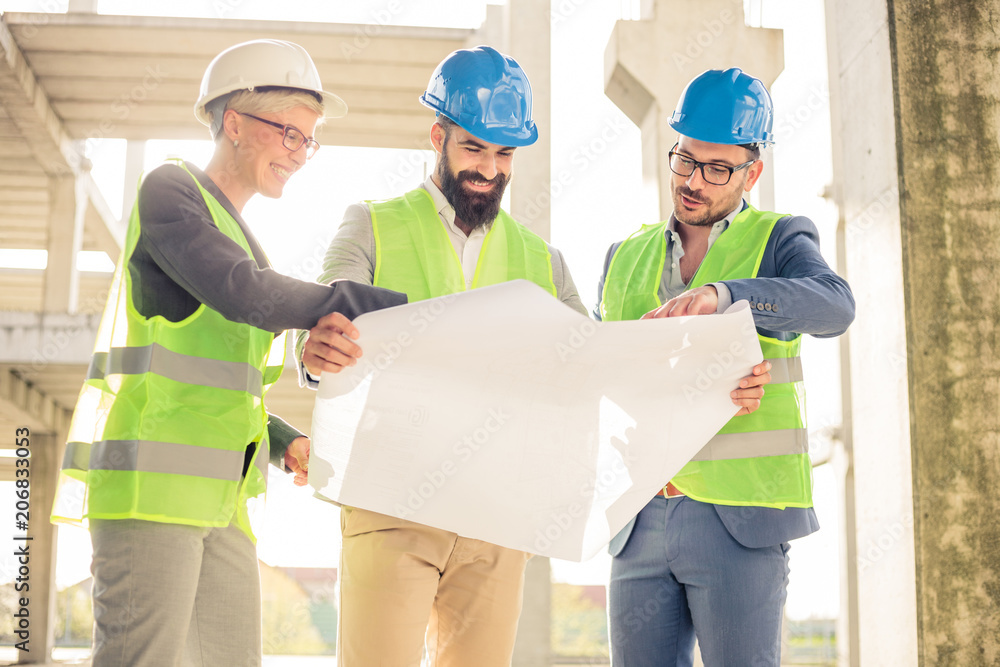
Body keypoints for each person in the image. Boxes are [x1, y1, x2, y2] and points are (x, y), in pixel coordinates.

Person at [298, 47, 772, 667]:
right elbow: (323, 323)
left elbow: (604, 366)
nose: (489, 170)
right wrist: (314, 355)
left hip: (496, 523)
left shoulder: (540, 259)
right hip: (393, 508)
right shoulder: (373, 224)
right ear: (438, 137)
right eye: (474, 148)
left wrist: (715, 382)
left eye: (504, 155)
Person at [51, 39, 405, 667]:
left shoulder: (246, 242)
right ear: (234, 123)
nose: (298, 154)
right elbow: (244, 294)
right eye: (288, 132)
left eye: (307, 140)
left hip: (225, 503)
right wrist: (368, 306)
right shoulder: (170, 192)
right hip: (149, 495)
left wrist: (281, 440)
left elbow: (227, 385)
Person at [597, 67, 856, 666]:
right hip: (637, 518)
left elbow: (834, 307)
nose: (694, 181)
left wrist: (726, 298)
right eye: (685, 161)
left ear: (752, 172)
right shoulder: (622, 257)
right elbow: (597, 372)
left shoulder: (781, 239)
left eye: (718, 169)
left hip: (739, 521)